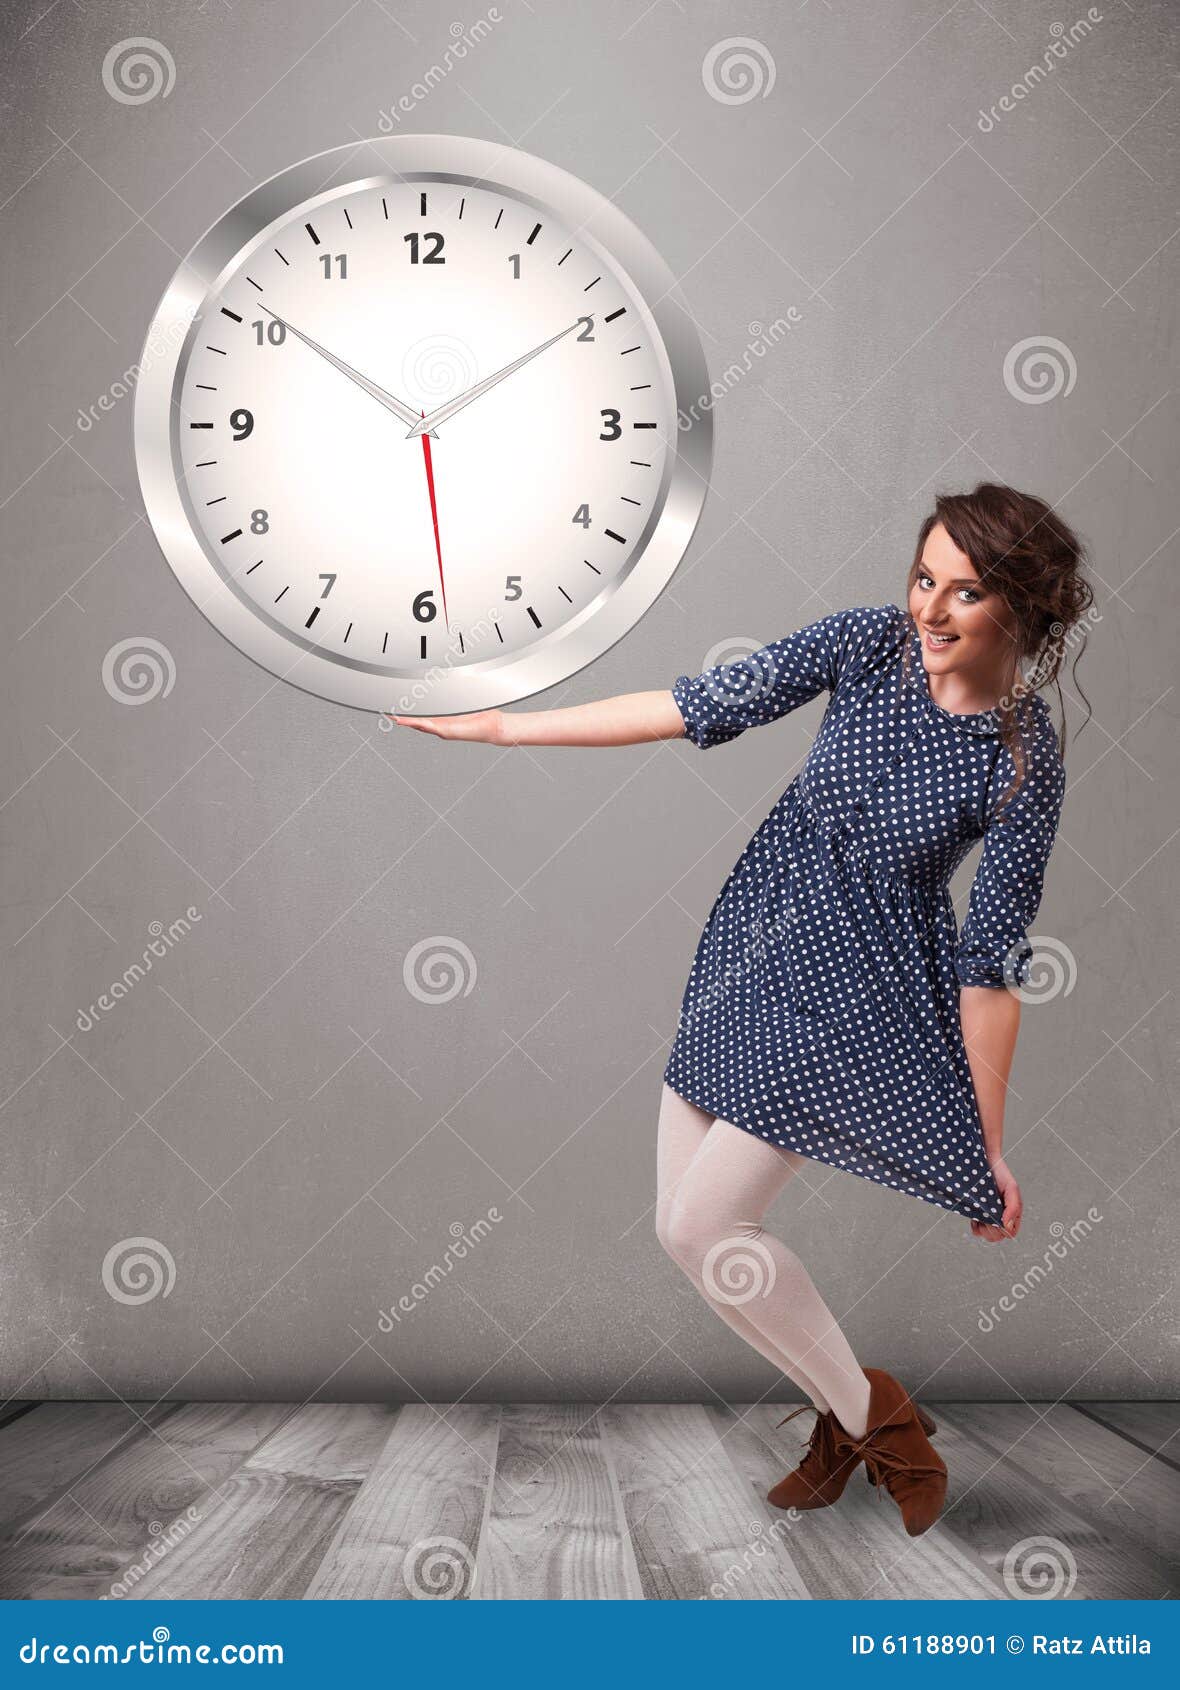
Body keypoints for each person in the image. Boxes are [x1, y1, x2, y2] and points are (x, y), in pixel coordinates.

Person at [389, 481, 1093, 1539]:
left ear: (1025, 611)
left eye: (966, 592)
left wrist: (984, 1138)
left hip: (855, 999)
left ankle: (880, 1422)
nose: (931, 610)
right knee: (693, 1243)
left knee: (702, 1221)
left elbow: (990, 966)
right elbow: (690, 705)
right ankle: (847, 1411)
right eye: (922, 578)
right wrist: (504, 731)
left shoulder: (1021, 760)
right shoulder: (863, 648)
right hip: (746, 955)